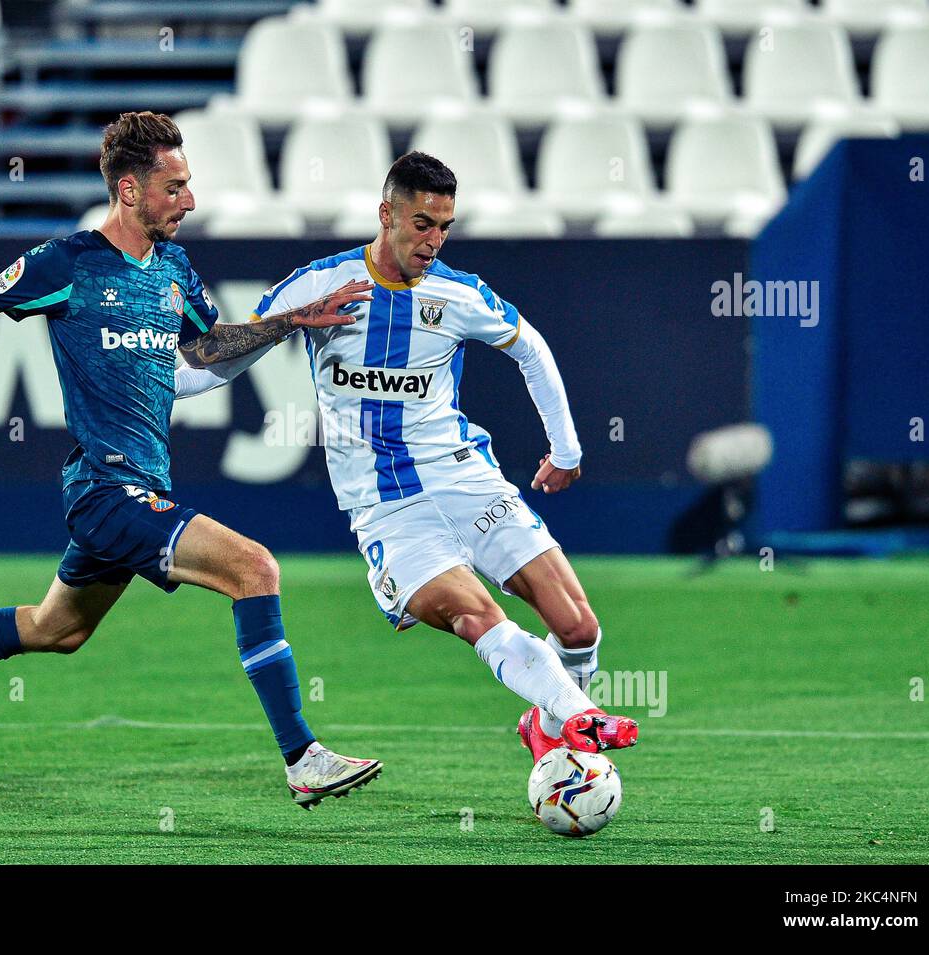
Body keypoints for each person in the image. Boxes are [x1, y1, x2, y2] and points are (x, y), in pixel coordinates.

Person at [0, 111, 382, 808]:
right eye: (175, 186)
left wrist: (293, 320)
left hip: (135, 487)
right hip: (104, 490)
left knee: (56, 628)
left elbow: (207, 344)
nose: (189, 200)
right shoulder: (67, 263)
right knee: (255, 568)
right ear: (129, 191)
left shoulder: (172, 267)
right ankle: (302, 755)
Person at [174, 152, 639, 764]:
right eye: (423, 224)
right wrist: (169, 376)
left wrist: (567, 448)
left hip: (464, 477)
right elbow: (204, 372)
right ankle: (583, 720)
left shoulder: (459, 294)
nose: (434, 241)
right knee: (477, 615)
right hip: (386, 506)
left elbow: (532, 350)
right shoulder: (318, 285)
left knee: (579, 628)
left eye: (445, 226)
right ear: (386, 213)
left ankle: (550, 730)